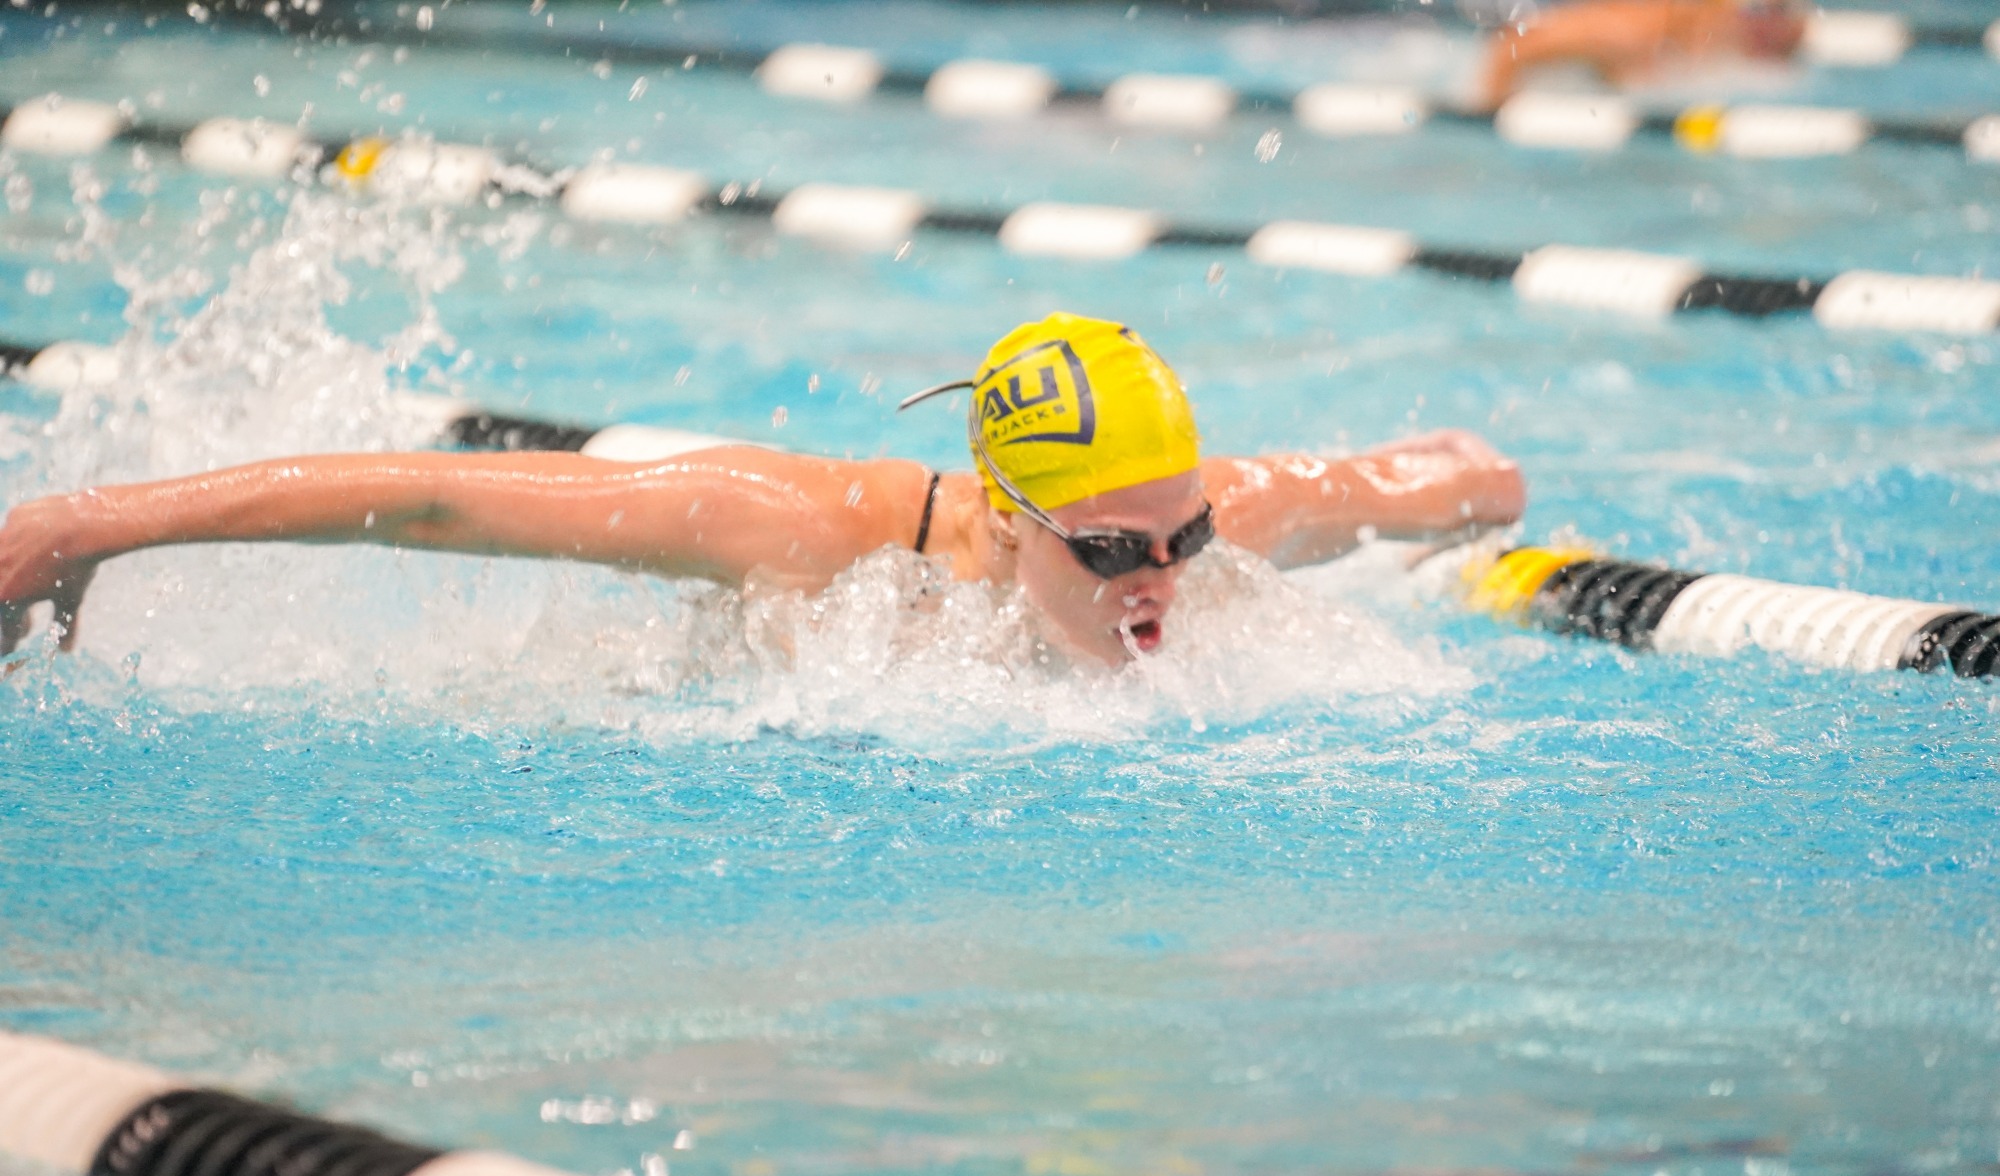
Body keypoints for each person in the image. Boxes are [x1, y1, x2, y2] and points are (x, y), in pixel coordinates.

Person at [0, 313, 1525, 668]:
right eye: (1121, 545)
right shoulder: (798, 535)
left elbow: (1406, 480)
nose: (1167, 579)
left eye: (1185, 533)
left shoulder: (1183, 515)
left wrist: (1460, 487)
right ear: (1005, 513)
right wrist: (86, 524)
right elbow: (432, 499)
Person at [1477, 0, 1807, 110]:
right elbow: (1510, 48)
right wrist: (1487, 117)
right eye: (1765, 13)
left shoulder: (1717, 37)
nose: (1773, 31)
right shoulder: (1630, 35)